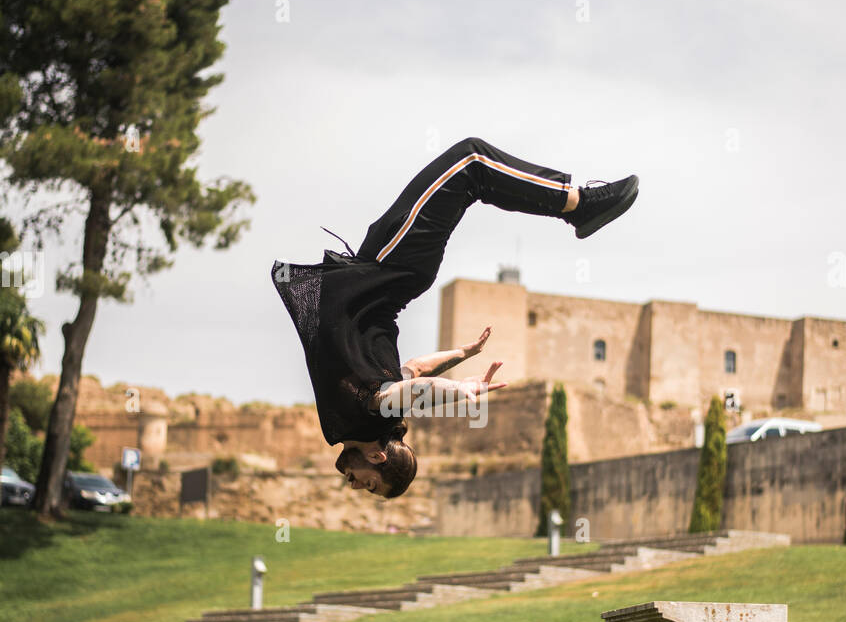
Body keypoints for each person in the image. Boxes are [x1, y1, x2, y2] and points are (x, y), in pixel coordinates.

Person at [272, 136, 638, 499]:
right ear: (377, 456)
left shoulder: (349, 420)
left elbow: (413, 371)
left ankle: (576, 205)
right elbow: (416, 389)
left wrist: (459, 356)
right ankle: (578, 205)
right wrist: (462, 391)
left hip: (375, 268)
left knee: (470, 168)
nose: (352, 483)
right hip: (389, 268)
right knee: (471, 162)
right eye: (369, 482)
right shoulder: (371, 413)